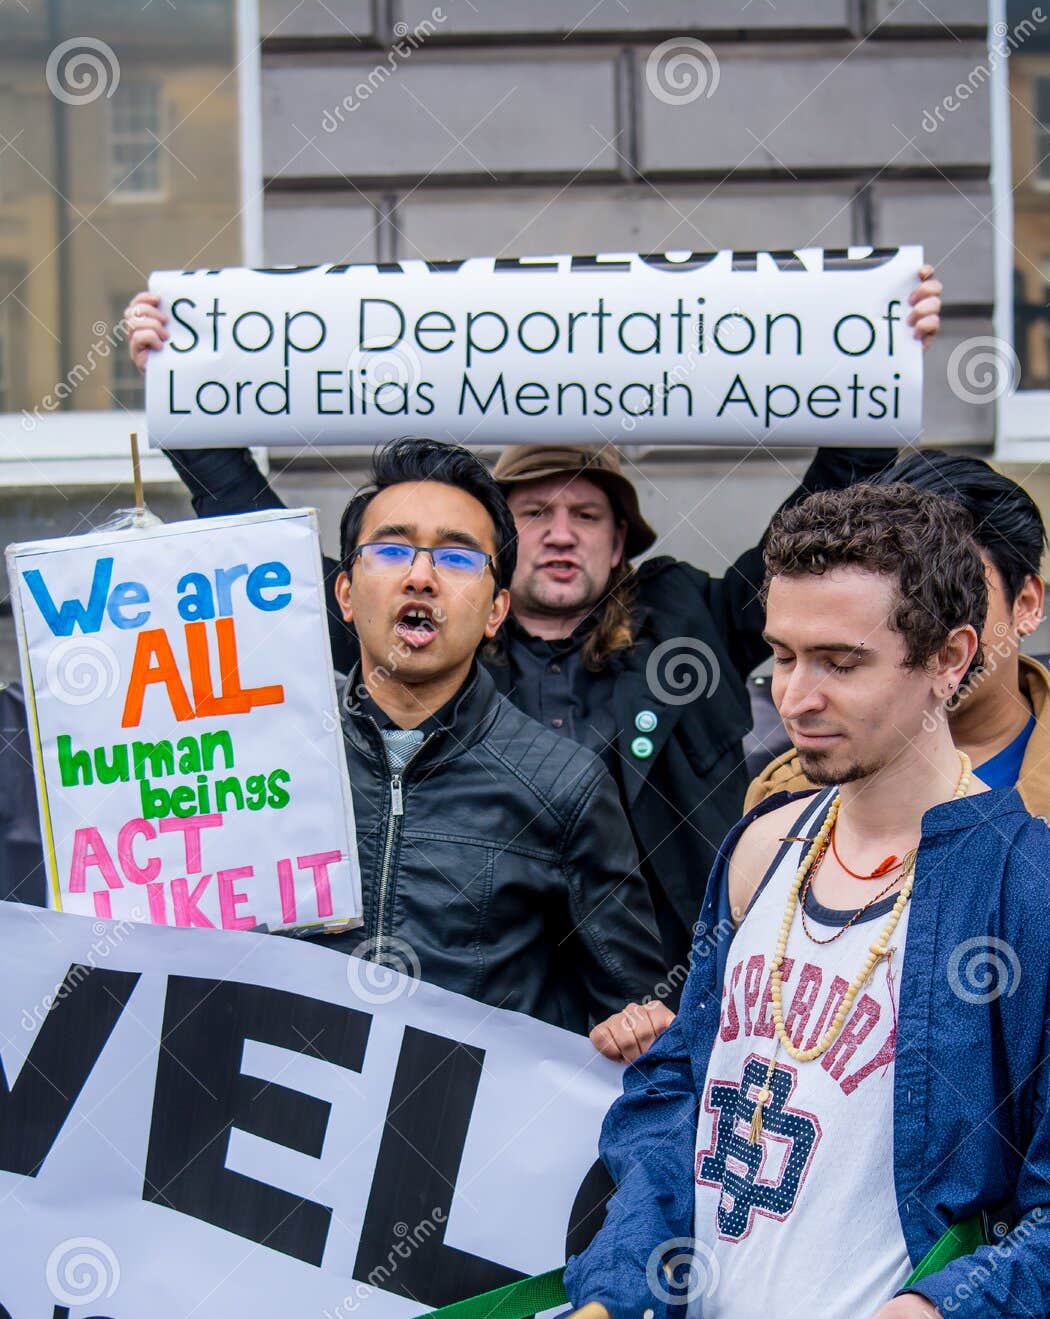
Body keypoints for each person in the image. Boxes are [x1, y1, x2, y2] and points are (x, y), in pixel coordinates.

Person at [123, 266, 943, 987]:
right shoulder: (433, 638)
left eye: (586, 514)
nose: (560, 531)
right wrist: (187, 390)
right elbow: (282, 567)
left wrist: (872, 360)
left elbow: (819, 526)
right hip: (489, 1012)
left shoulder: (692, 616)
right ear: (499, 554)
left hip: (672, 997)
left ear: (620, 541)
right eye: (535, 512)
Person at [561, 481, 1050, 1319]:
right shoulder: (759, 846)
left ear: (947, 659)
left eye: (840, 662)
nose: (796, 695)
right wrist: (628, 1261)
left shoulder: (1035, 894)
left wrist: (947, 1308)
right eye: (779, 658)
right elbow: (674, 1095)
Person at [296, 434, 665, 1039]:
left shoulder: (564, 785)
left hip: (474, 1128)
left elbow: (635, 1011)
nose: (421, 576)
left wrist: (635, 1030)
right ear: (344, 593)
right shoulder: (275, 754)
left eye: (458, 558)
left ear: (496, 610)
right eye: (391, 550)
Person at [747, 451, 1050, 838]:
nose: (919, 626)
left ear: (1027, 604)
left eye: (960, 595)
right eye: (783, 656)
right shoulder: (791, 791)